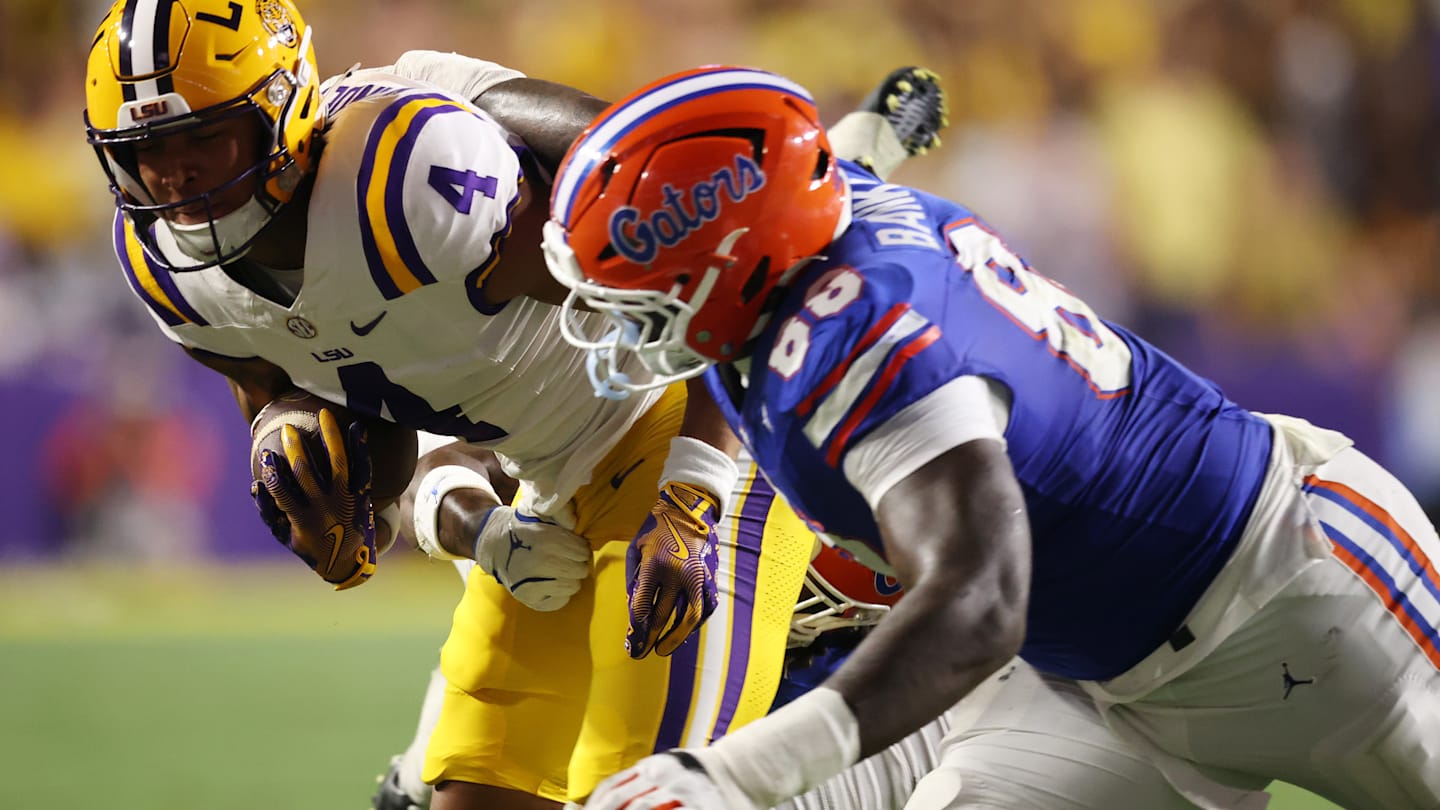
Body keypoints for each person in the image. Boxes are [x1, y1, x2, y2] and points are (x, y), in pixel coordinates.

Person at [80, 4, 947, 809]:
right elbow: (358, 413)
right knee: (466, 791)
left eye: (207, 141)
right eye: (143, 154)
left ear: (281, 111)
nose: (174, 178)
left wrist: (695, 486)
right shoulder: (168, 267)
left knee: (646, 791)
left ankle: (849, 161)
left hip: (684, 408)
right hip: (546, 474)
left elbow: (706, 285)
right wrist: (356, 511)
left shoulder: (410, 185)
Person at [544, 66, 1440, 810]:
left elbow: (978, 604)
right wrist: (879, 126)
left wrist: (733, 775)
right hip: (1097, 679)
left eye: (644, 287)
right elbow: (840, 162)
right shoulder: (816, 222)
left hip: (1296, 591)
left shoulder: (860, 346)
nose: (620, 319)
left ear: (736, 260)